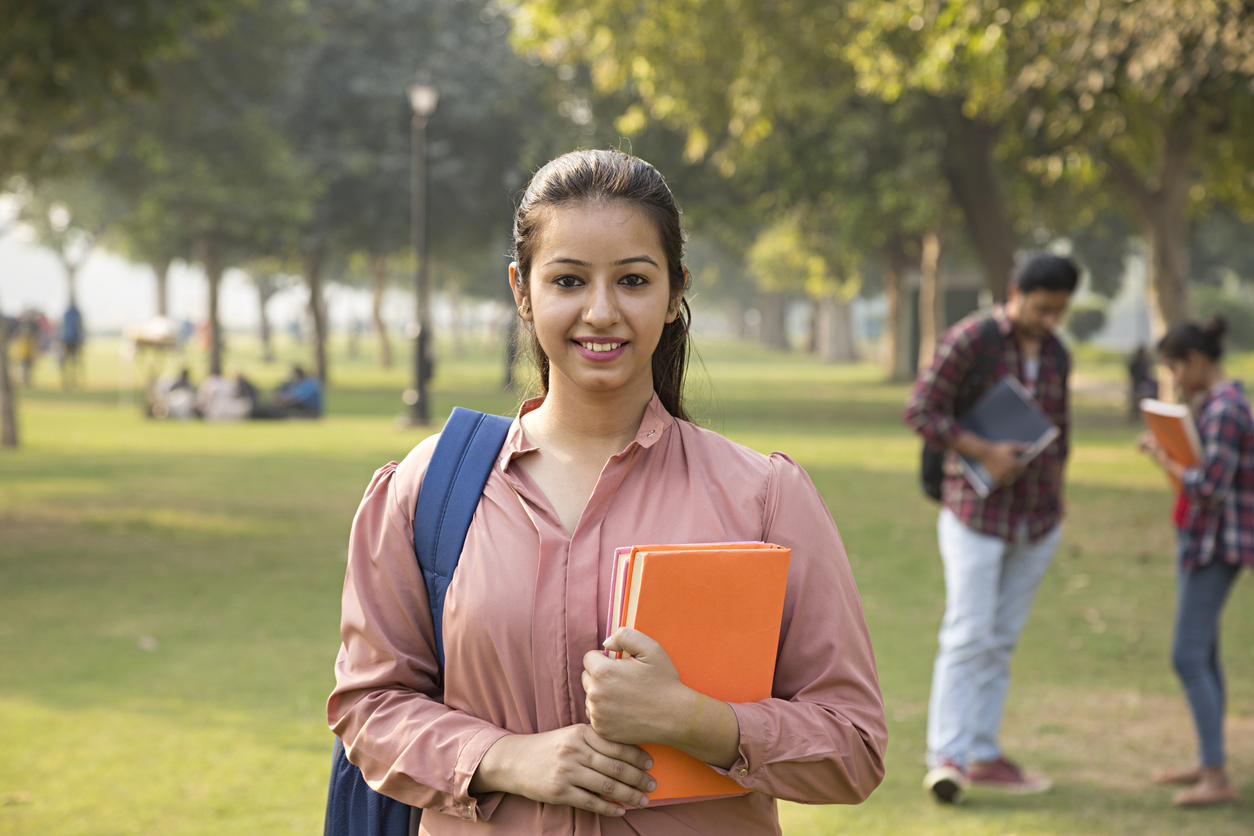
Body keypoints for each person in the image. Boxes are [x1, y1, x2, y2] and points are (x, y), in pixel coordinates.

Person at [327, 150, 887, 834]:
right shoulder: (428, 490)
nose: (600, 311)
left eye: (632, 279)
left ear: (675, 290)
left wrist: (698, 722)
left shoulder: (762, 498)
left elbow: (853, 745)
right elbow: (370, 706)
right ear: (522, 291)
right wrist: (502, 757)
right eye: (567, 280)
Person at [904, 253, 1078, 802]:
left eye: (1059, 311)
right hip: (976, 512)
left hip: (1037, 518)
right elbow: (921, 411)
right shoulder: (972, 339)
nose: (1049, 320)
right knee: (967, 633)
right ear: (1015, 292)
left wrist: (1058, 498)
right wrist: (983, 450)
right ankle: (946, 757)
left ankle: (982, 751)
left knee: (1000, 641)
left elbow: (1061, 428)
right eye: (1042, 307)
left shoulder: (1057, 352)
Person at [1138, 317, 1248, 807]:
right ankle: (1209, 760)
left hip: (1216, 547)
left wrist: (1162, 459)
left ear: (1198, 361)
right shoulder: (1217, 404)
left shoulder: (1227, 409)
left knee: (1187, 655)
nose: (1175, 379)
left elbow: (1208, 487)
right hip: (1201, 541)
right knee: (1203, 655)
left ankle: (1217, 777)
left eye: (1176, 368)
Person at [59, 301, 84, 390]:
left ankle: (67, 381)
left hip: (66, 339)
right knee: (74, 362)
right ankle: (72, 381)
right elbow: (80, 326)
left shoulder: (66, 313)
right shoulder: (76, 313)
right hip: (73, 340)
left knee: (67, 362)